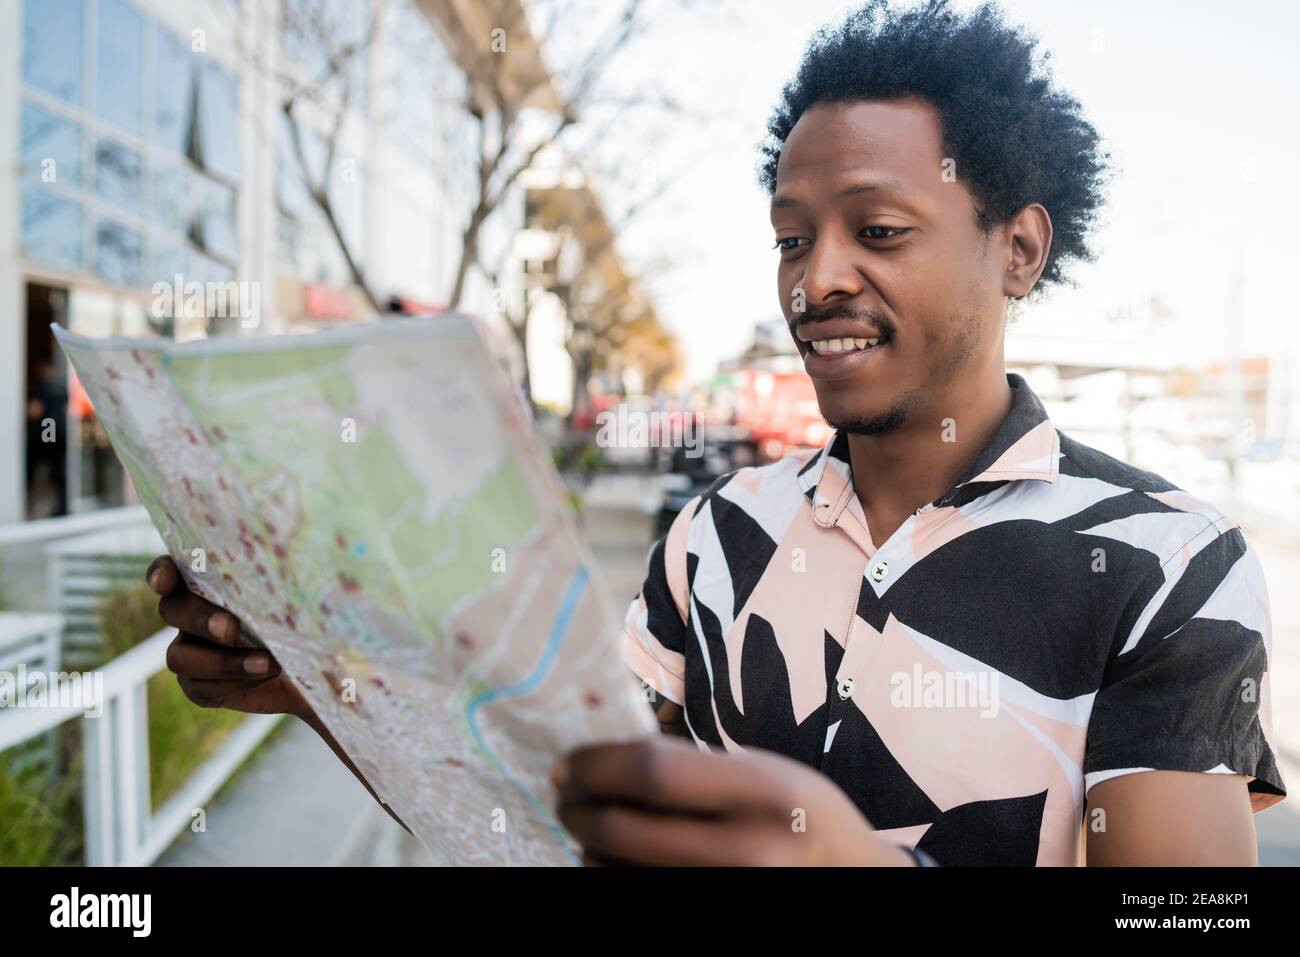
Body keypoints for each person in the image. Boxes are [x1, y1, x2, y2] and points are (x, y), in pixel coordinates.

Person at [148, 0, 1285, 865]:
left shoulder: (1168, 563)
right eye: (791, 239)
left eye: (877, 230)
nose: (816, 279)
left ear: (1019, 251)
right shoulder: (715, 535)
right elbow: (540, 818)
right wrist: (317, 681)